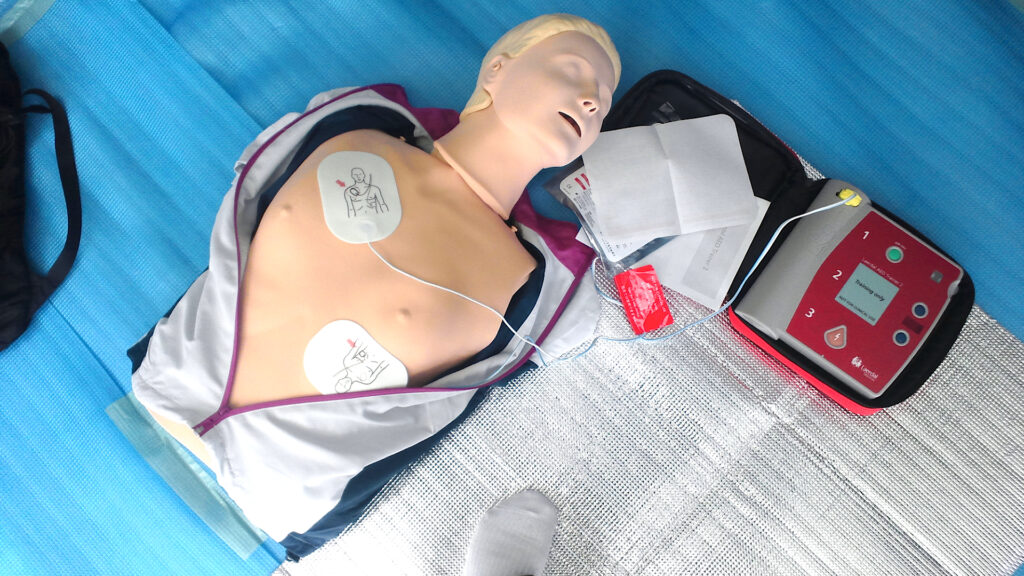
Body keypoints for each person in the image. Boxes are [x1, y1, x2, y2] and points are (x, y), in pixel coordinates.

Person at [130, 14, 620, 553]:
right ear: (497, 70)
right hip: (172, 371)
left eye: (602, 102)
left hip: (282, 494)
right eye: (571, 71)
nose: (590, 101)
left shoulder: (534, 288)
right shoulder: (355, 124)